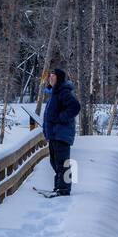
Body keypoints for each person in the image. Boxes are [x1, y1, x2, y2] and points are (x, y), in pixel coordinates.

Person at [40, 67, 81, 196]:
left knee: (63, 163)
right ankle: (59, 187)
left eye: (53, 76)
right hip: (54, 134)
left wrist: (61, 118)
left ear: (60, 78)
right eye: (50, 76)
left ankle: (64, 190)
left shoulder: (64, 92)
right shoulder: (55, 92)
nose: (50, 78)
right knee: (55, 162)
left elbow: (75, 107)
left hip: (61, 134)